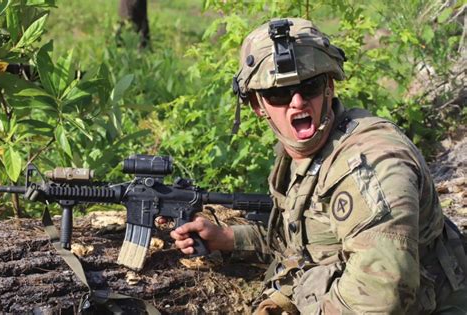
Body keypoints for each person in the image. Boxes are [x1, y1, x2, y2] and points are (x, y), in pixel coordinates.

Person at [170, 18, 467, 314]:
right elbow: (308, 239)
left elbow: (381, 297)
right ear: (257, 105)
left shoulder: (371, 163)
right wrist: (229, 239)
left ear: (329, 87)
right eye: (279, 94)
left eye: (309, 86)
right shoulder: (307, 152)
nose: (297, 102)